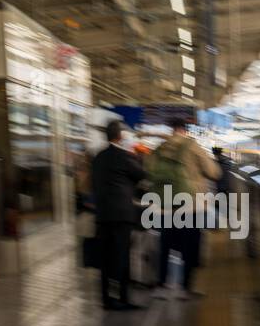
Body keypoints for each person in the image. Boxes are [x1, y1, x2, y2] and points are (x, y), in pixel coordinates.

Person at [147, 117, 220, 299]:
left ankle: (162, 285)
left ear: (171, 129)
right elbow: (214, 172)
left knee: (165, 245)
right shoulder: (192, 146)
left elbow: (149, 171)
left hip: (165, 206)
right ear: (185, 130)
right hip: (190, 207)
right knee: (190, 246)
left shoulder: (160, 148)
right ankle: (185, 288)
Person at [90, 120, 145, 310]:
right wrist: (138, 155)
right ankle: (122, 298)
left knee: (105, 258)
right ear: (120, 137)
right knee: (122, 256)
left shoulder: (97, 158)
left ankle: (106, 299)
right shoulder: (124, 156)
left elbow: (94, 183)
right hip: (122, 215)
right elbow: (141, 174)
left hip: (103, 214)